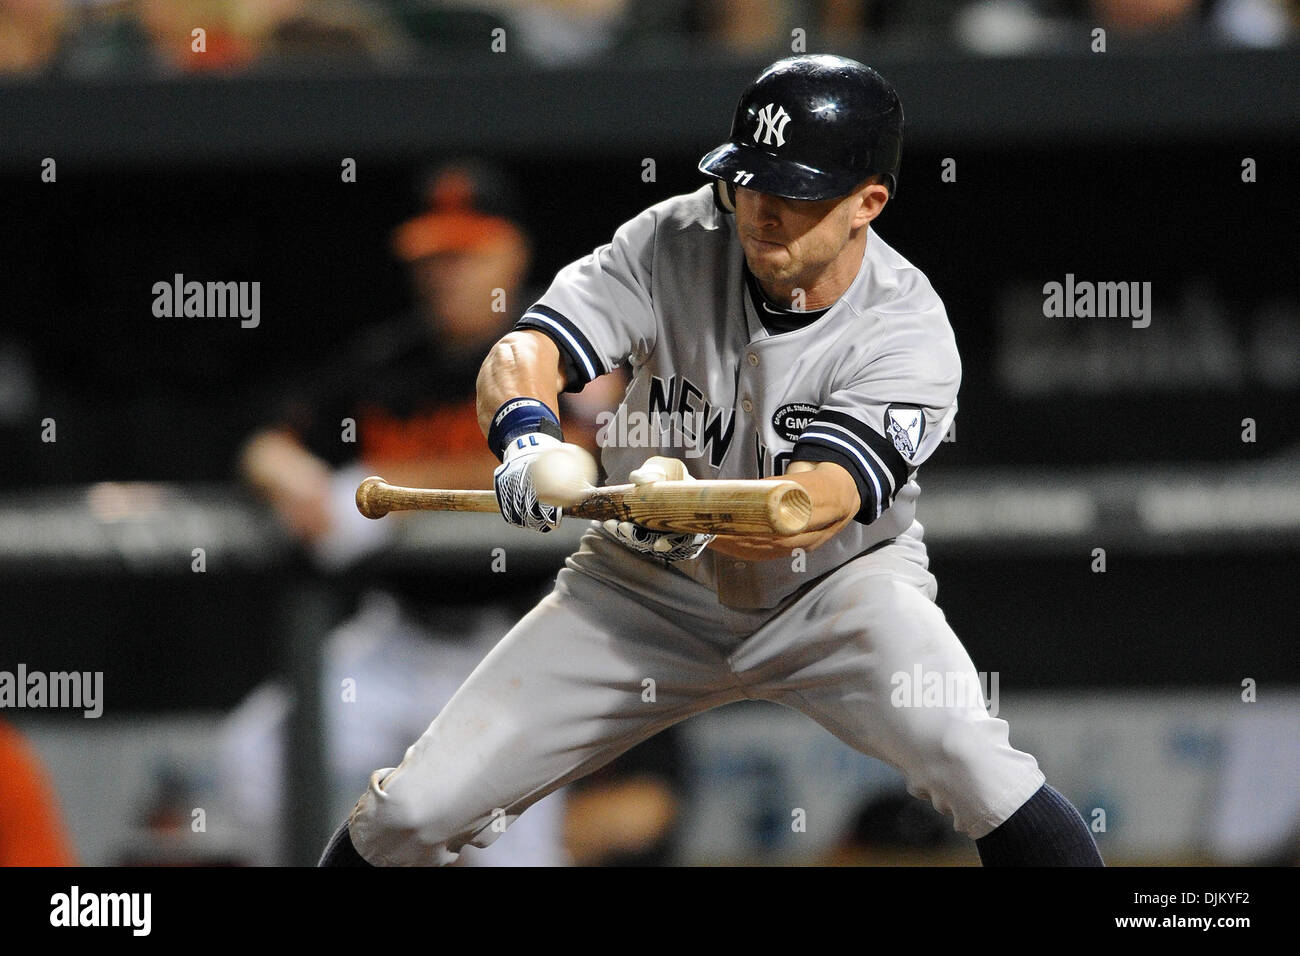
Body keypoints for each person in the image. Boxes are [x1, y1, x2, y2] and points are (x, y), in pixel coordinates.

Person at [320, 54, 1104, 867]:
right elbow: (528, 347)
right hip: (642, 594)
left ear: (867, 201)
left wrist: (689, 513)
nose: (762, 212)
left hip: (835, 595)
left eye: (795, 193)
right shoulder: (675, 238)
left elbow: (808, 508)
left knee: (976, 766)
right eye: (750, 181)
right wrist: (524, 436)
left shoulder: (907, 331)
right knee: (412, 811)